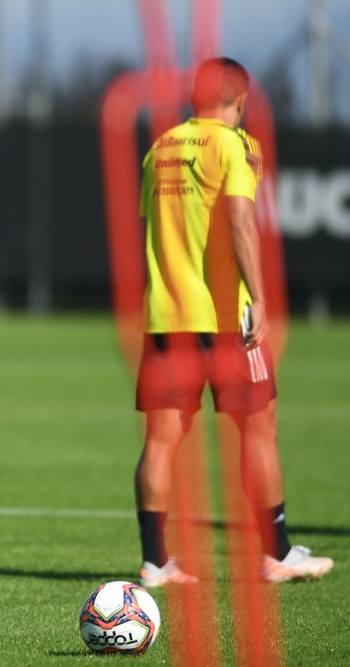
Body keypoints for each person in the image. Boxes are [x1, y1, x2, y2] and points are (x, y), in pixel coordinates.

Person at [133, 57, 333, 587]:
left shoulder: (160, 149)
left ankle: (154, 562)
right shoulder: (234, 147)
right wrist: (261, 298)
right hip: (225, 318)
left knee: (160, 441)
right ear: (241, 100)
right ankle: (278, 553)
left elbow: (149, 231)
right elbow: (242, 219)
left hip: (167, 315)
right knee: (258, 429)